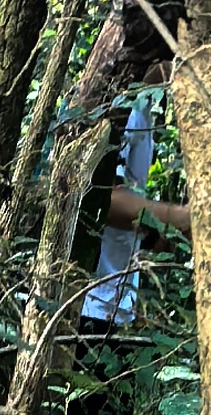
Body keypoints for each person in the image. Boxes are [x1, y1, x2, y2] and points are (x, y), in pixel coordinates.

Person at [80, 87, 191, 330]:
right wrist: (178, 217)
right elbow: (102, 200)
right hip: (88, 301)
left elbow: (127, 202)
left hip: (115, 303)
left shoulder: (144, 109)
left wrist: (158, 235)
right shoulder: (124, 107)